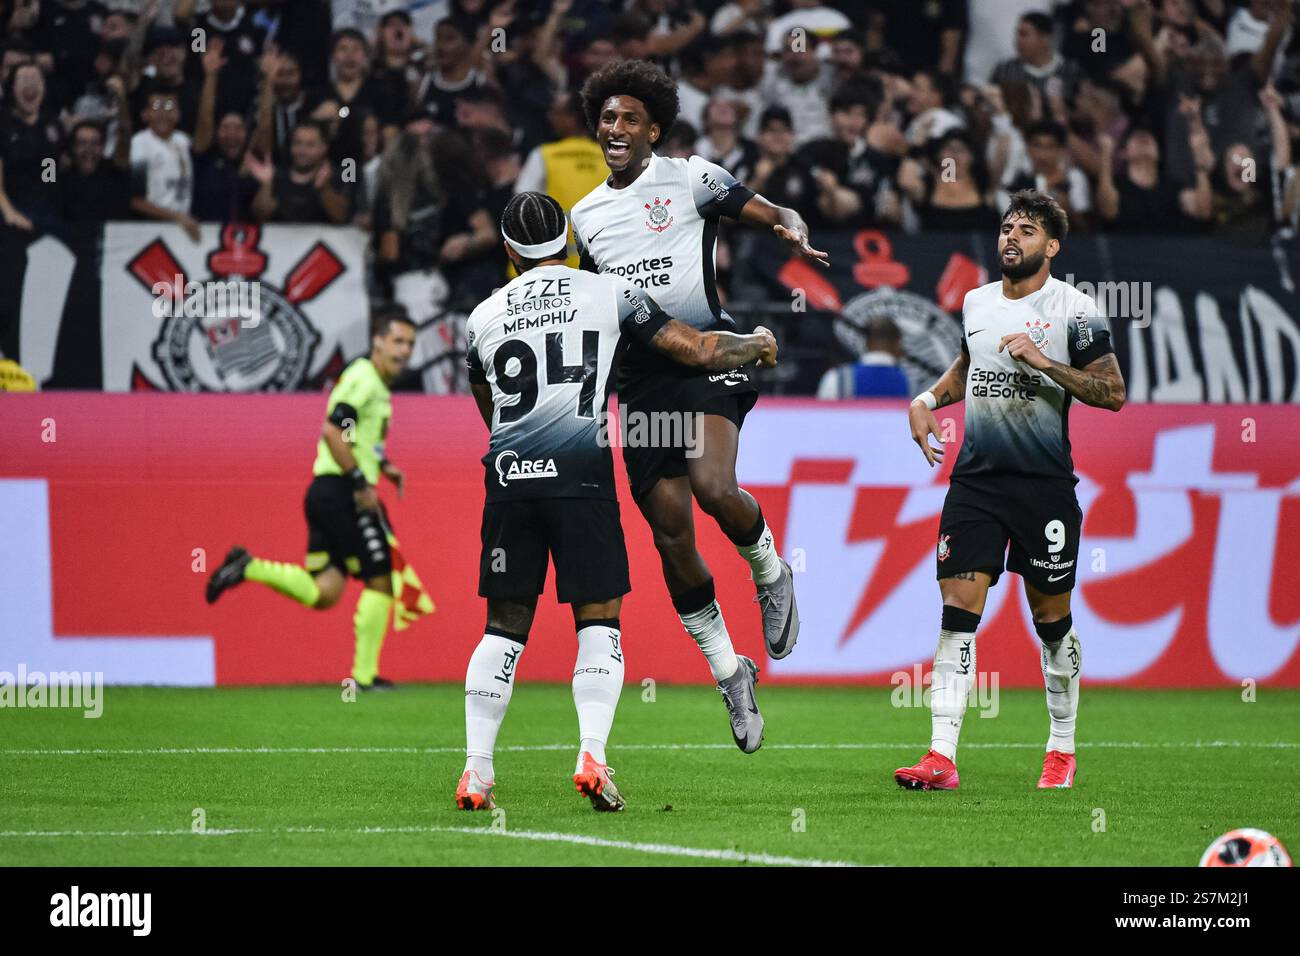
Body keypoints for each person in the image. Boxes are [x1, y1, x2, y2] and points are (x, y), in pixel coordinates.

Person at [457, 191, 778, 811]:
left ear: (508, 253)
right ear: (570, 243)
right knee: (598, 622)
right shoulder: (606, 292)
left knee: (502, 629)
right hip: (581, 483)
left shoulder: (482, 316)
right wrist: (755, 343)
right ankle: (592, 757)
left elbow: (488, 405)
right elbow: (696, 349)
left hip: (510, 480)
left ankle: (477, 772)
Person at [571, 59, 826, 751]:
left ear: (654, 128)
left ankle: (771, 572)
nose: (614, 127)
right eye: (607, 117)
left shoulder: (688, 177)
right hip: (643, 378)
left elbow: (764, 207)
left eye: (628, 118)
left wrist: (788, 224)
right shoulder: (585, 216)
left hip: (714, 353)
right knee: (671, 535)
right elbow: (600, 308)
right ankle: (729, 670)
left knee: (714, 487)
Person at [897, 190, 1126, 792]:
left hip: (1044, 488)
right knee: (956, 614)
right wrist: (925, 401)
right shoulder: (976, 302)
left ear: (1051, 247)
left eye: (1026, 231)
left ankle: (1062, 747)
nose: (1011, 238)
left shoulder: (1076, 309)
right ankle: (941, 756)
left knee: (1051, 620)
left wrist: (1047, 364)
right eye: (1006, 228)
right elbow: (965, 369)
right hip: (975, 484)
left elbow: (1112, 392)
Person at [205, 309, 427, 691]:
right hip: (344, 493)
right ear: (377, 341)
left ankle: (249, 567)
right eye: (397, 341)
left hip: (325, 491)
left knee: (325, 592)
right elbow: (332, 431)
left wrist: (382, 466)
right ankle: (363, 678)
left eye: (409, 343)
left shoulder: (370, 382)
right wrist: (360, 482)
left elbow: (351, 435)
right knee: (381, 580)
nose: (405, 351)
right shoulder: (365, 380)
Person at [816, 315, 910, 399]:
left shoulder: (836, 378)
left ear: (866, 342)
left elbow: (821, 416)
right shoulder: (910, 383)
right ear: (897, 343)